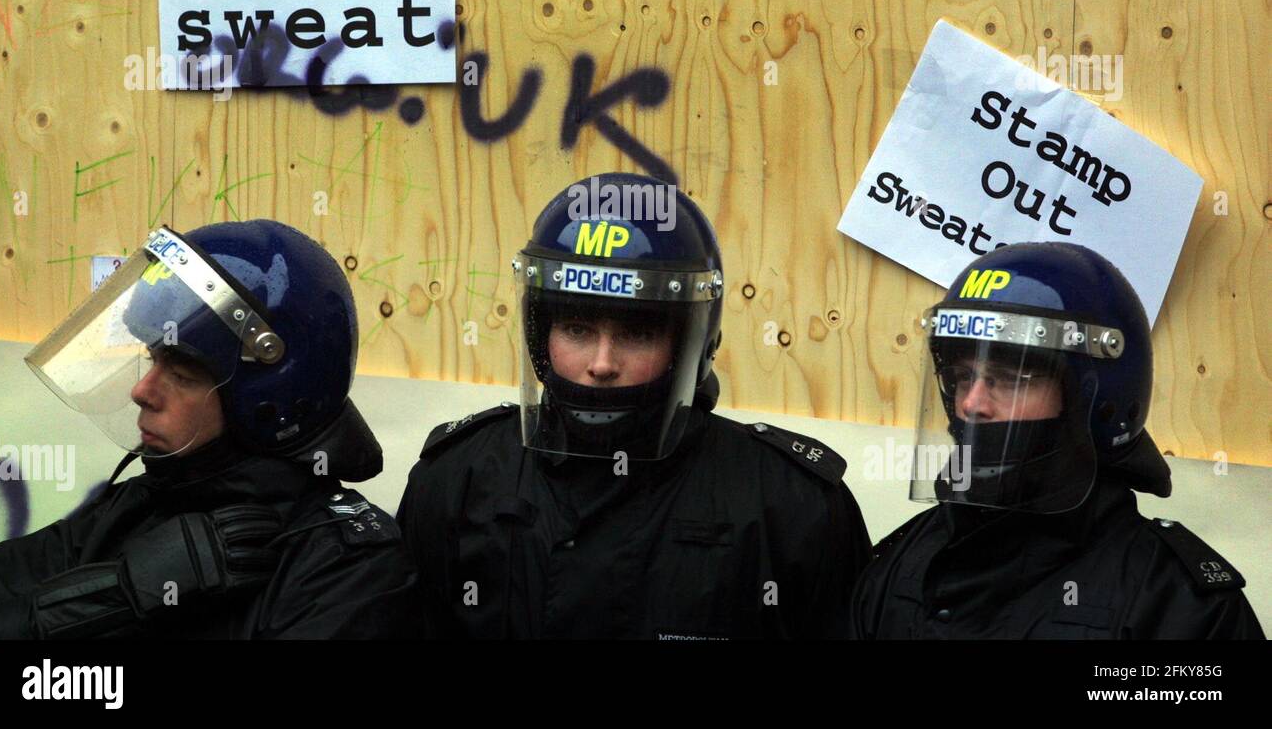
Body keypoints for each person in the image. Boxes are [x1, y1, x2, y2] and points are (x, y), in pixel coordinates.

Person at [398, 172, 871, 638]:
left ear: (691, 343)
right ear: (541, 335)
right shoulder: (457, 480)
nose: (602, 364)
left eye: (637, 333)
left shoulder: (791, 505)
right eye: (578, 330)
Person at [0, 220, 411, 638]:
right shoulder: (143, 501)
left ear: (266, 400)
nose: (142, 390)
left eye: (182, 373)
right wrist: (118, 595)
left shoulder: (347, 566)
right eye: (153, 357)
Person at [851, 242, 1264, 639]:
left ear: (1099, 398)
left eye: (1011, 379)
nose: (973, 404)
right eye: (961, 377)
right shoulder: (903, 563)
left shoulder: (1178, 606)